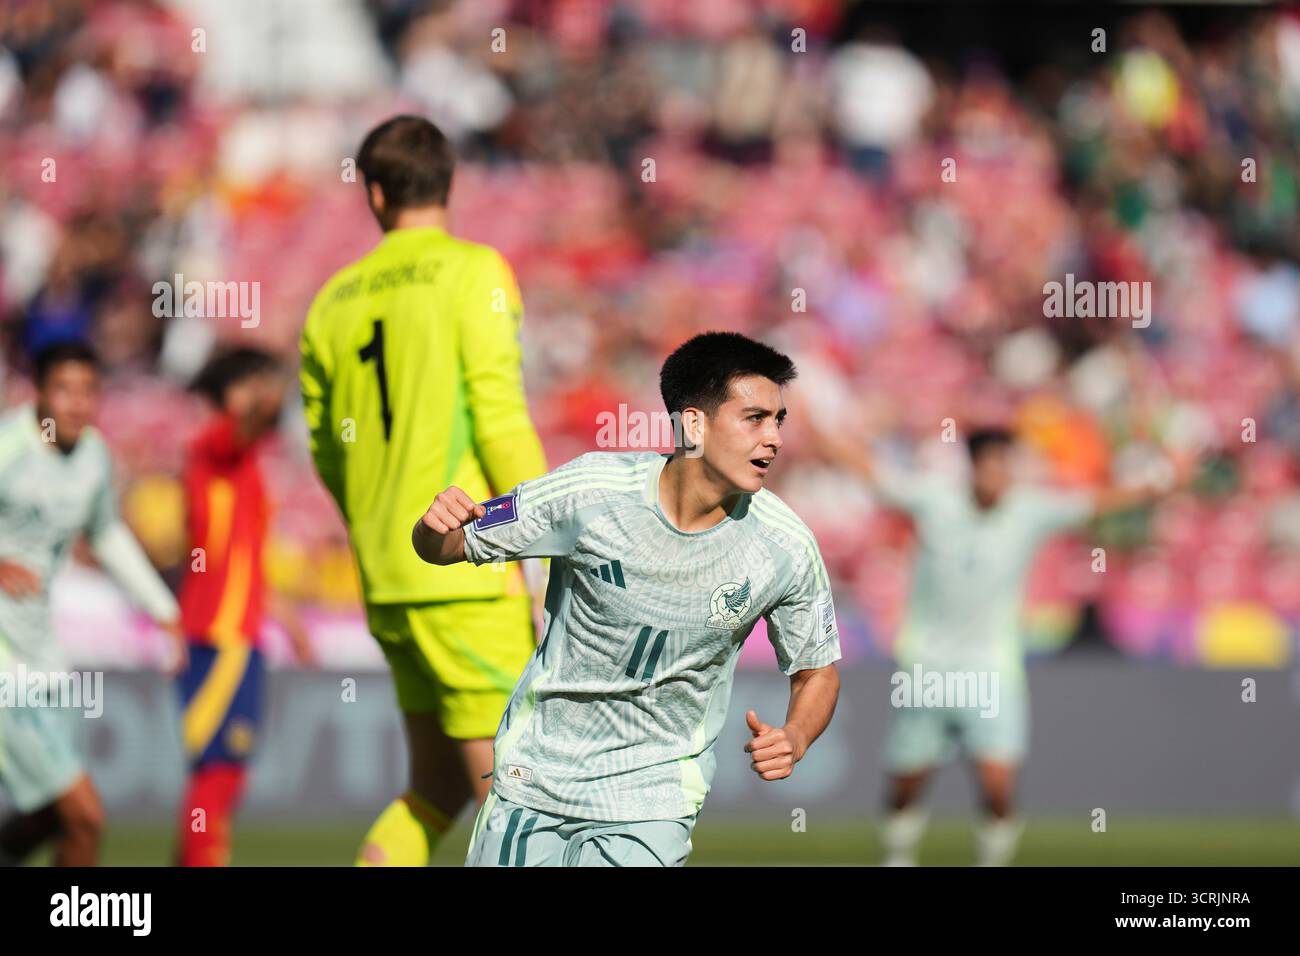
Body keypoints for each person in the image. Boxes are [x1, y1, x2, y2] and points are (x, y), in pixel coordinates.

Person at [413, 331, 842, 867]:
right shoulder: (591, 491)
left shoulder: (784, 546)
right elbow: (449, 545)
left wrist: (797, 735)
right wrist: (434, 529)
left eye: (779, 420)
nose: (773, 438)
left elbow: (817, 671)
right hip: (538, 779)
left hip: (654, 798)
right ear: (693, 425)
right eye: (754, 418)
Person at [300, 115, 547, 866]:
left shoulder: (332, 302)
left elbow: (326, 453)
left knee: (434, 789)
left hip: (388, 575)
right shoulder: (474, 272)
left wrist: (378, 532)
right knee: (521, 806)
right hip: (468, 576)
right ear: (450, 181)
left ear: (374, 193)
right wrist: (544, 549)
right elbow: (501, 421)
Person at [817, 423, 1185, 866]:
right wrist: (821, 429)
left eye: (1005, 465)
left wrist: (1162, 480)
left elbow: (1098, 501)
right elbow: (876, 474)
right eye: (991, 464)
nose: (999, 474)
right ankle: (898, 856)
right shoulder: (934, 501)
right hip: (928, 667)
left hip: (992, 668)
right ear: (973, 466)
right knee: (908, 780)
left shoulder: (1029, 510)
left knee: (996, 781)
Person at [0, 341, 181, 866]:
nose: (77, 404)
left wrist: (163, 610)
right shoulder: (9, 447)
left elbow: (104, 534)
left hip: (42, 650)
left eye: (89, 391)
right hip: (4, 660)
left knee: (51, 813)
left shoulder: (94, 456)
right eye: (64, 389)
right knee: (85, 815)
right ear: (38, 391)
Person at [175, 347, 312, 866]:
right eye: (250, 385)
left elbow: (247, 559)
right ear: (227, 393)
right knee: (219, 774)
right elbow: (251, 423)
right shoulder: (213, 445)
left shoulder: (244, 463)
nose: (259, 396)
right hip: (215, 634)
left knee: (219, 774)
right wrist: (277, 382)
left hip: (238, 635)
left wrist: (290, 621)